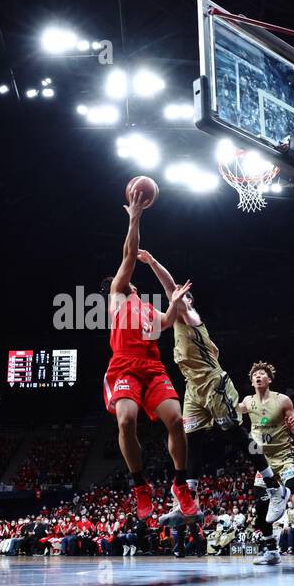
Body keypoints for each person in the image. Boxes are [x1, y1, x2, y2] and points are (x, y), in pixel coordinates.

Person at [134, 248, 293, 538]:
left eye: (181, 297)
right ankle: (187, 499)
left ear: (188, 301)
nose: (176, 298)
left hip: (213, 384)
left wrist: (153, 262)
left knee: (235, 434)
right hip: (193, 389)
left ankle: (274, 485)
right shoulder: (182, 328)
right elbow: (212, 348)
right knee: (188, 441)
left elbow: (170, 289)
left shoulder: (189, 314)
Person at [100, 186, 198, 524]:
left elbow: (168, 322)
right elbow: (128, 256)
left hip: (153, 368)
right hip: (124, 366)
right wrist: (135, 217)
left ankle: (181, 484)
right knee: (127, 420)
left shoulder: (146, 309)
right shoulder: (117, 297)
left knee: (176, 421)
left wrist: (173, 302)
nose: (128, 278)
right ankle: (139, 485)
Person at [240, 362, 294, 566]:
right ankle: (271, 551)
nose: (258, 376)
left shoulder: (282, 400)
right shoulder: (248, 401)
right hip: (263, 462)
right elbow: (234, 410)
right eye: (255, 375)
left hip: (285, 457)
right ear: (252, 381)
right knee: (261, 508)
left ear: (269, 380)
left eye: (262, 374)